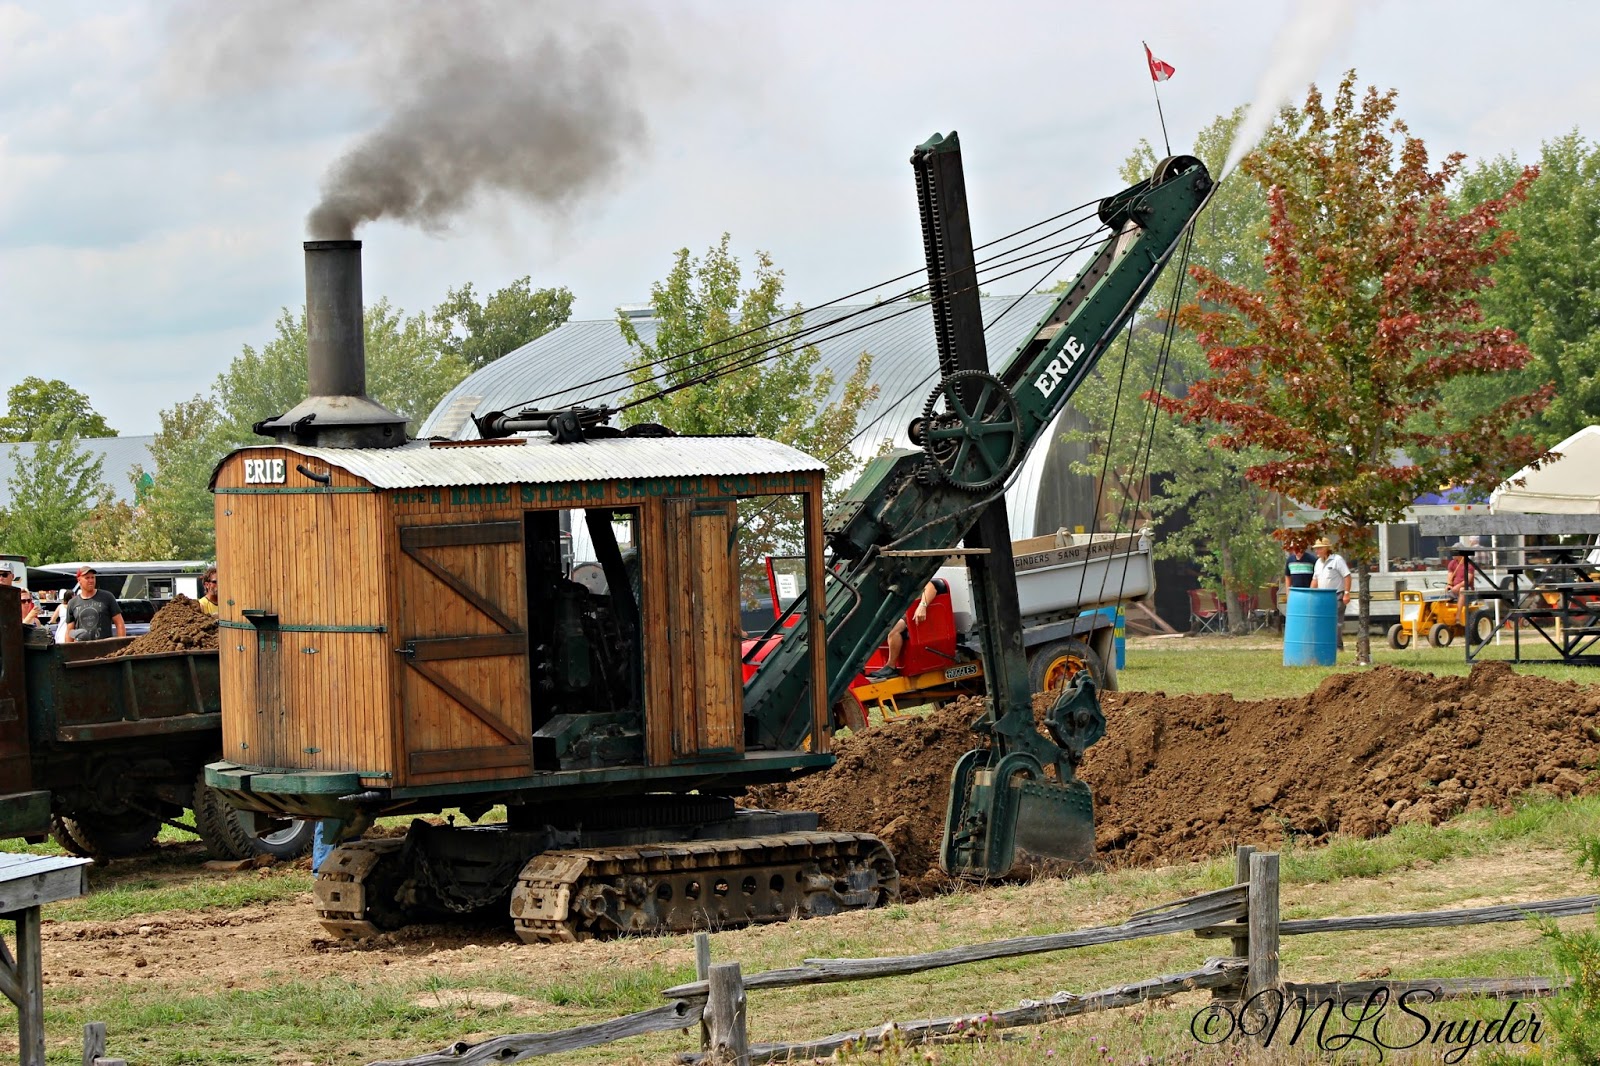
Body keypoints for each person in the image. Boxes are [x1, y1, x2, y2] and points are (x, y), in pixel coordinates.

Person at [867, 580, 943, 681]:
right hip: (906, 612)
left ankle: (891, 667)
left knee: (894, 629)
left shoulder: (921, 578)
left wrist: (922, 606)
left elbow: (931, 589)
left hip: (919, 613)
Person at [63, 567, 125, 642]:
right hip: (82, 649)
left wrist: (121, 645)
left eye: (93, 577)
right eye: (87, 578)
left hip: (105, 649)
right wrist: (68, 651)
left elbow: (119, 623)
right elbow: (70, 631)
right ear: (79, 580)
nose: (91, 580)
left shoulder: (107, 597)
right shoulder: (72, 603)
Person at [1310, 537, 1352, 650]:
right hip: (1322, 597)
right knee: (1324, 622)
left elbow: (1347, 576)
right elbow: (1315, 580)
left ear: (1327, 549)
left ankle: (1338, 647)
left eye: (1319, 548)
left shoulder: (1337, 560)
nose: (1317, 551)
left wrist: (1347, 593)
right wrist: (1310, 594)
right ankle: (1327, 645)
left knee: (1336, 623)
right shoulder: (1318, 563)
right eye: (1316, 548)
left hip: (1337, 595)